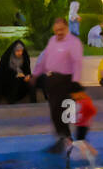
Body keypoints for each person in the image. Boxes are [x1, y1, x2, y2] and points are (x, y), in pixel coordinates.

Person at [33, 16, 84, 150]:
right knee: (54, 112)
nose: (58, 33)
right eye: (56, 30)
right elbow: (45, 59)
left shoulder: (73, 42)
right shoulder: (52, 41)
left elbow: (77, 63)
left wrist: (75, 83)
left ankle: (67, 140)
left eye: (61, 29)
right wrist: (36, 74)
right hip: (52, 81)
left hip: (66, 81)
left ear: (66, 28)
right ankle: (64, 139)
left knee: (61, 111)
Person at [67, 82, 98, 165]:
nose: (73, 97)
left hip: (83, 125)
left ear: (79, 93)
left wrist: (85, 119)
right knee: (81, 141)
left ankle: (85, 157)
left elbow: (93, 111)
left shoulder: (85, 101)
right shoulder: (81, 100)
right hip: (81, 124)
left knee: (80, 141)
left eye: (74, 95)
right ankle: (93, 152)